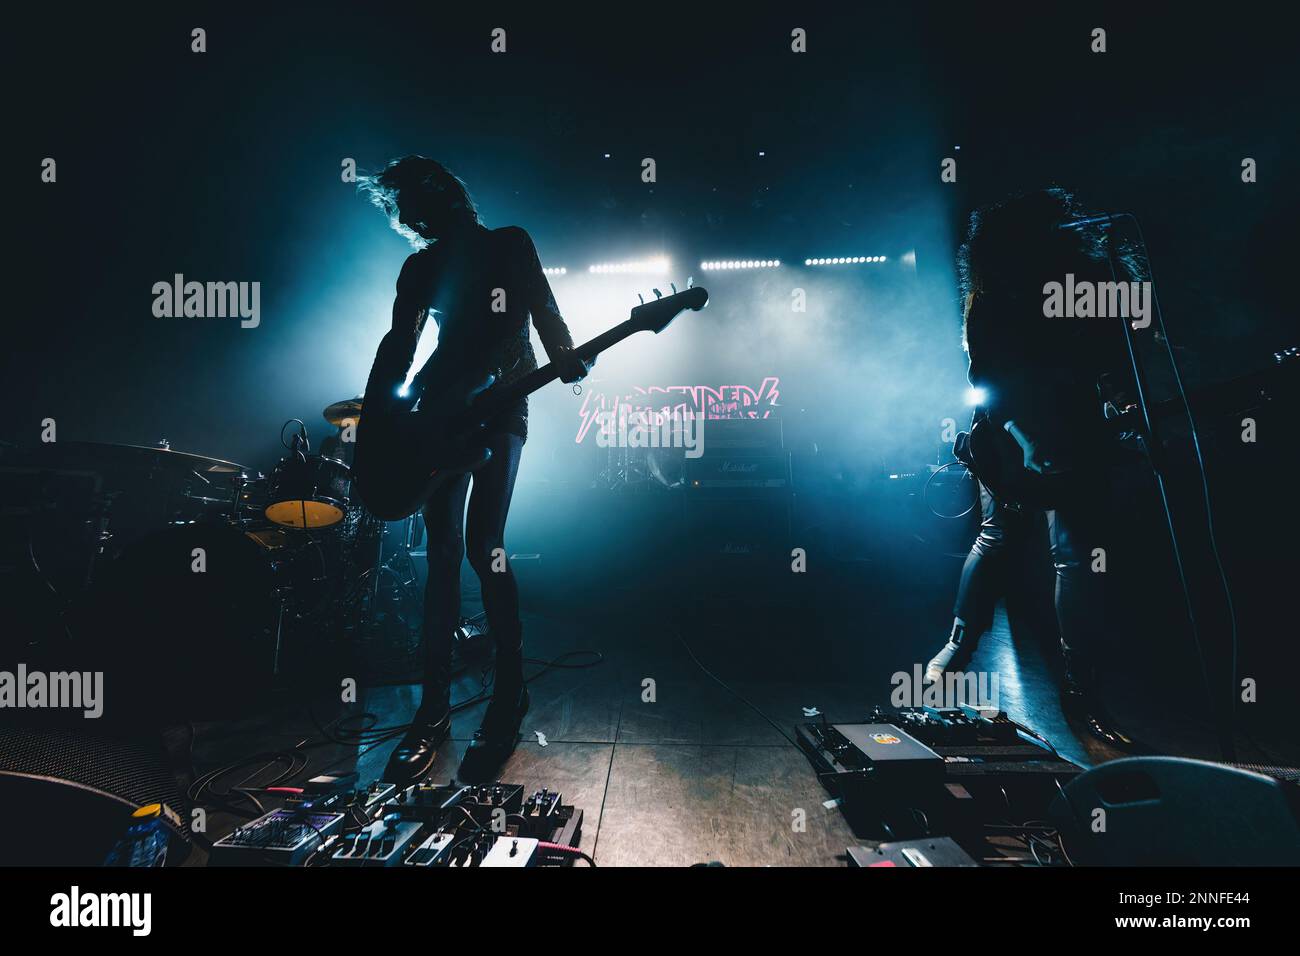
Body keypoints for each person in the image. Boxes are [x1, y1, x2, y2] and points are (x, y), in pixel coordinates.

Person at [358, 156, 590, 783]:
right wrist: (380, 419)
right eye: (397, 207)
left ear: (442, 197)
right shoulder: (421, 267)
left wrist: (566, 356)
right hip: (436, 413)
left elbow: (543, 310)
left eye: (407, 201)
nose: (404, 217)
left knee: (486, 545)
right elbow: (399, 344)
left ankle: (507, 698)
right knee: (441, 554)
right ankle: (431, 711)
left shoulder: (509, 244)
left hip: (499, 405)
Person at [923, 188, 1141, 749]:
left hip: (1078, 430)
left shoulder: (1090, 287)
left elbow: (1117, 357)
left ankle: (1081, 687)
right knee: (1000, 535)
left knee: (1079, 555)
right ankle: (957, 648)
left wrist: (1121, 400)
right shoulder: (993, 299)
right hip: (1008, 436)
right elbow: (986, 382)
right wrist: (1024, 439)